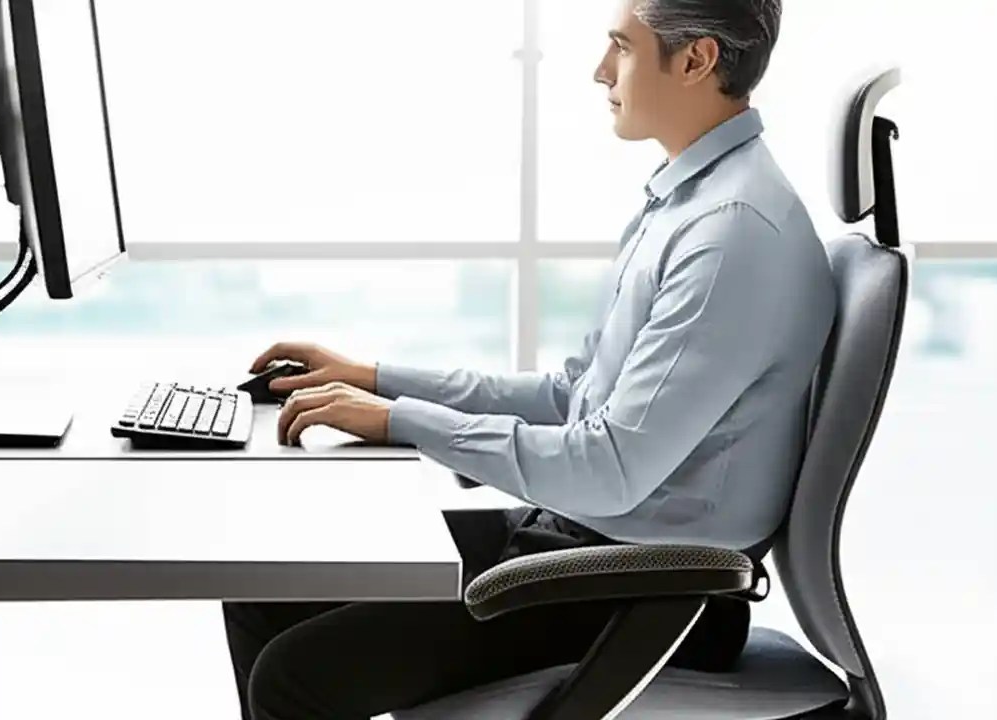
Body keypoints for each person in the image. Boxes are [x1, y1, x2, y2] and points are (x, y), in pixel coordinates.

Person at [223, 1, 835, 718]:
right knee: (268, 577)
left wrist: (400, 423)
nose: (600, 70)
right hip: (587, 547)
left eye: (622, 49)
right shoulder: (689, 205)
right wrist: (373, 380)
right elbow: (569, 396)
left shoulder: (732, 235)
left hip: (642, 591)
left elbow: (607, 468)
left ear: (696, 60)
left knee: (296, 679)